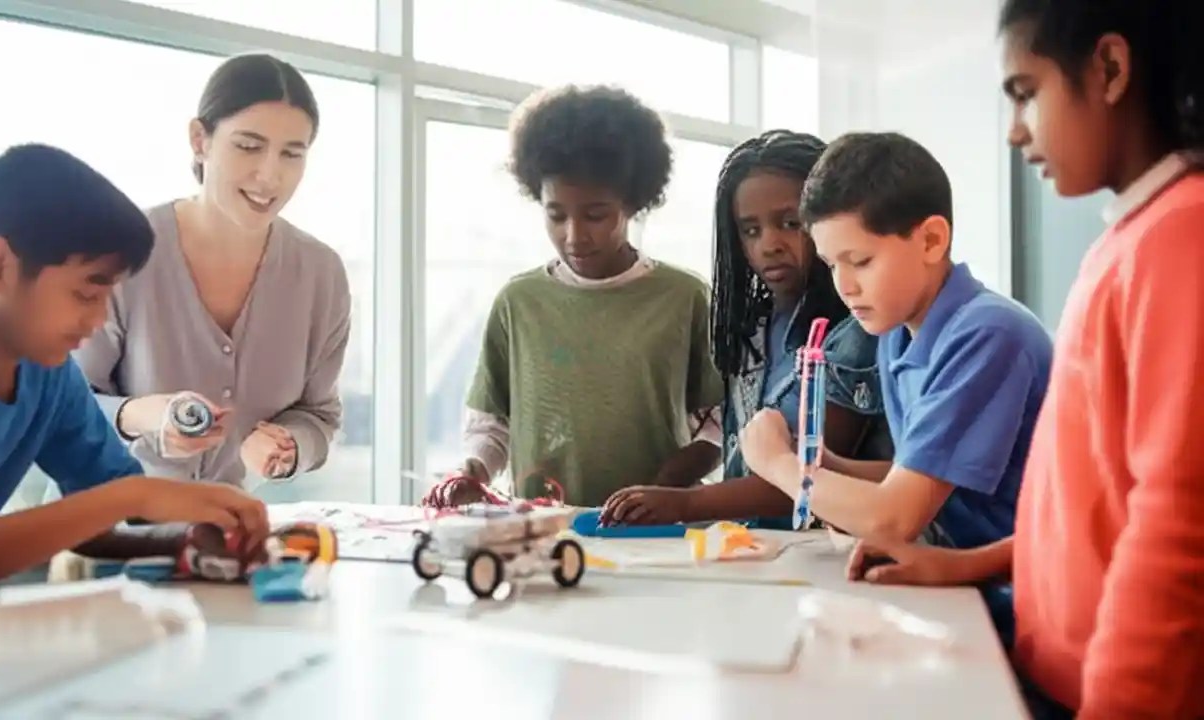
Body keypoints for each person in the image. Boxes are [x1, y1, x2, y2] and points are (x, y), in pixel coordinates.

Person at [847, 1, 1204, 717]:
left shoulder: (1182, 235)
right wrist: (966, 563)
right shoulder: (1129, 239)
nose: (1014, 131)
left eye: (1025, 93)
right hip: (1051, 665)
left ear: (1108, 68)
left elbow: (1175, 519)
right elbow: (1086, 502)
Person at [0, 144, 269, 595]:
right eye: (87, 295)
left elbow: (94, 521)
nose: (100, 318)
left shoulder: (51, 377)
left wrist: (188, 537)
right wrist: (133, 496)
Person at [740, 131, 1052, 551]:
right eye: (833, 265)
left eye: (861, 261)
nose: (845, 286)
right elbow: (918, 476)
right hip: (956, 578)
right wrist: (818, 464)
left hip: (1018, 593)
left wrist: (776, 465)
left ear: (931, 240)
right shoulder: (897, 336)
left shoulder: (987, 334)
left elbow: (895, 518)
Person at [424, 84, 725, 510]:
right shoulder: (519, 301)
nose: (575, 236)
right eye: (556, 215)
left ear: (633, 203)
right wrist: (473, 468)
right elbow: (493, 425)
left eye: (596, 215)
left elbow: (722, 420)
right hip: (539, 528)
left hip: (654, 531)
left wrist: (674, 478)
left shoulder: (684, 297)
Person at [75, 53, 351, 487]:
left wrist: (290, 443)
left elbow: (319, 415)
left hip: (221, 539)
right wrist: (142, 416)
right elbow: (61, 404)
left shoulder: (322, 275)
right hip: (95, 531)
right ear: (200, 140)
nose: (269, 176)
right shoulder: (118, 252)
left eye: (291, 154)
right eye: (249, 146)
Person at [601, 130, 889, 527]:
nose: (768, 244)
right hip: (750, 550)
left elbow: (810, 477)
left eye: (790, 223)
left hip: (825, 558)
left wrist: (685, 504)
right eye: (750, 230)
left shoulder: (856, 333)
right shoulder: (748, 328)